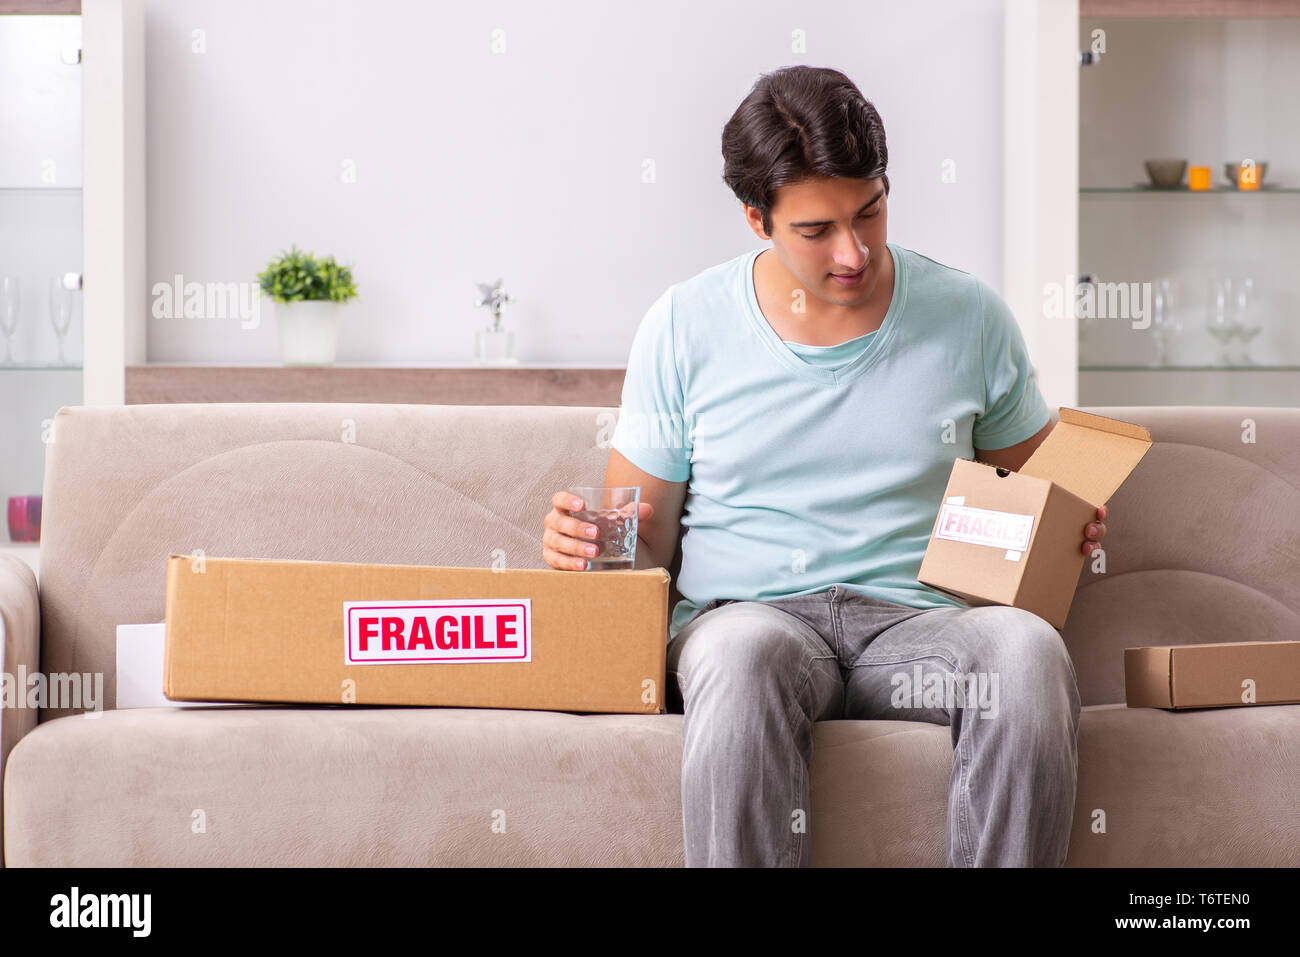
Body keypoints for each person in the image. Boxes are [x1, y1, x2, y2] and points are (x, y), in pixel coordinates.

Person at [541, 65, 1106, 867]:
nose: (854, 252)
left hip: (917, 632)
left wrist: (1064, 524)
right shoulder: (683, 325)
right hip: (751, 620)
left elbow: (1031, 498)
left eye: (869, 212)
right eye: (817, 230)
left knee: (1024, 652)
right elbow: (642, 543)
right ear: (755, 218)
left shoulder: (968, 314)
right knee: (740, 659)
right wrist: (588, 546)